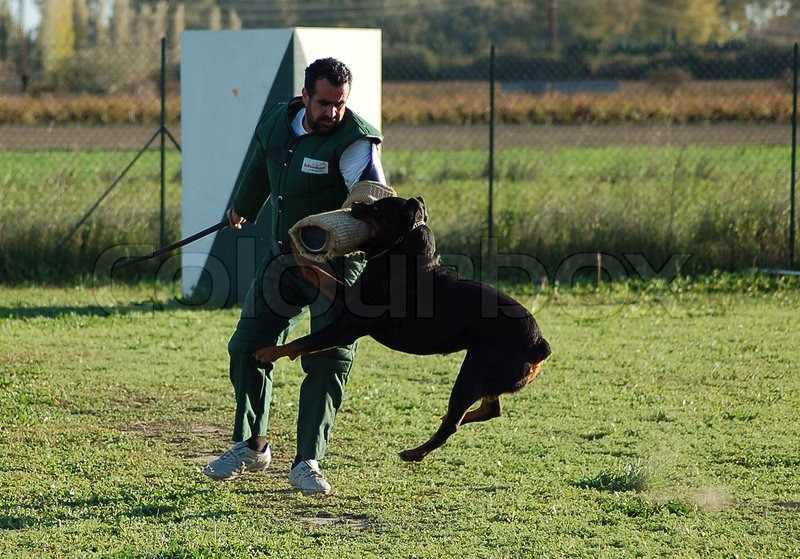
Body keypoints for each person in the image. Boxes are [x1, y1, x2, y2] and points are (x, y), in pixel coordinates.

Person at [203, 57, 386, 494]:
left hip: (338, 268)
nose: (332, 113)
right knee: (247, 345)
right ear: (305, 96)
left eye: (340, 104)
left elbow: (373, 199)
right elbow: (259, 166)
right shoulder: (279, 122)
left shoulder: (356, 141)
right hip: (285, 258)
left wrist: (364, 224)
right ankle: (252, 444)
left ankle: (308, 461)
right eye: (324, 103)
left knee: (329, 359)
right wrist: (242, 207)